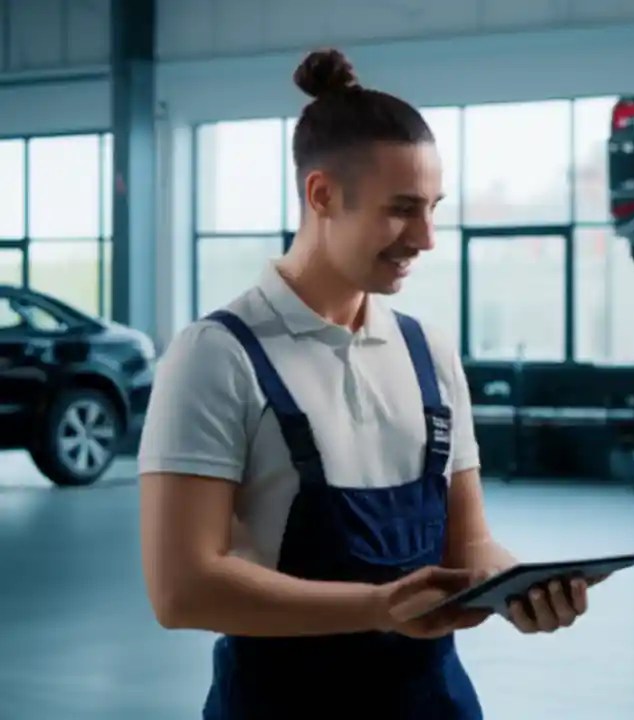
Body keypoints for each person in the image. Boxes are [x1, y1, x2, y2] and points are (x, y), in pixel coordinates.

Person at [137, 48, 593, 720]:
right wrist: (379, 608)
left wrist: (511, 587)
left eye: (433, 207)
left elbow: (468, 546)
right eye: (401, 209)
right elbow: (183, 591)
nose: (427, 237)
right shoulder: (215, 356)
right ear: (322, 194)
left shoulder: (427, 352)